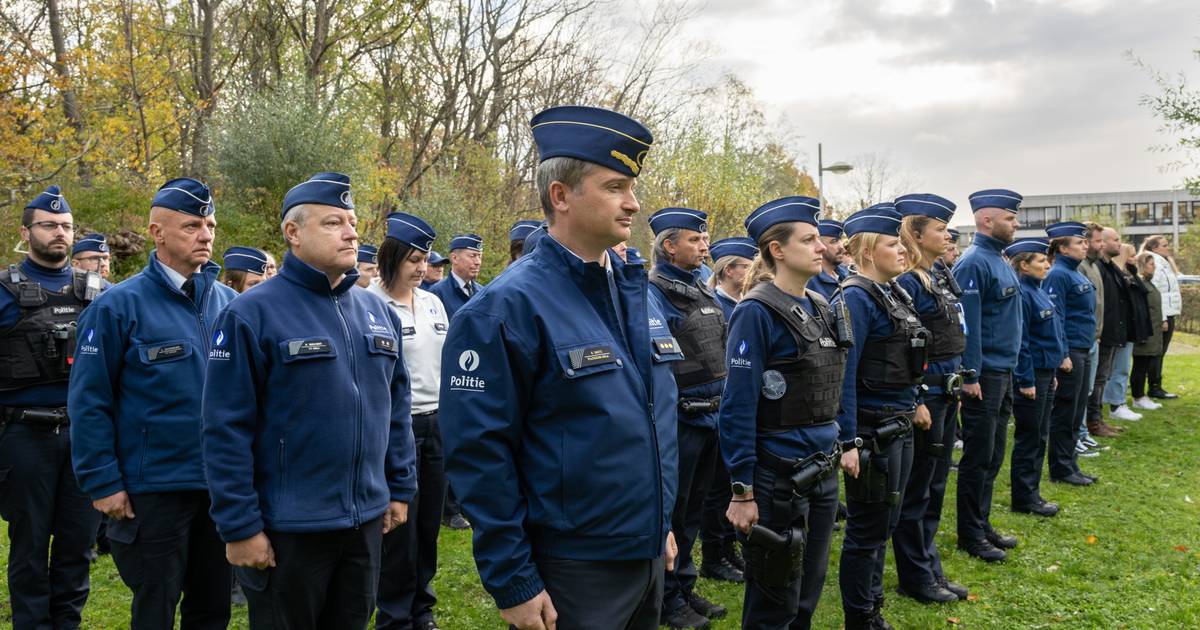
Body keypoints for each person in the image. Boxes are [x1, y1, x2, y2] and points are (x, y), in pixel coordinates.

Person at [440, 105, 679, 630]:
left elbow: (644, 417)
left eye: (632, 188)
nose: (634, 204)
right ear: (561, 196)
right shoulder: (505, 308)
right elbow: (480, 455)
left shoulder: (637, 292)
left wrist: (656, 520)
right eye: (615, 187)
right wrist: (513, 579)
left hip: (642, 553)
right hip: (572, 567)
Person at [201, 172, 416, 629]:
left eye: (353, 222)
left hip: (364, 523)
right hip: (289, 529)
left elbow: (396, 407)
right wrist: (240, 526)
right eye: (334, 222)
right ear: (293, 233)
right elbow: (224, 427)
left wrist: (400, 487)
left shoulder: (376, 312)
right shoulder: (250, 313)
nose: (352, 232)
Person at [69, 177, 237, 630]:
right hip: (154, 488)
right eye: (191, 226)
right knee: (155, 605)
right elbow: (89, 401)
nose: (205, 235)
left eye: (210, 225)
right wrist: (102, 481)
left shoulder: (232, 304)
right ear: (156, 232)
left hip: (219, 486)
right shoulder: (117, 307)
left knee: (212, 607)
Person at [719, 196, 847, 629]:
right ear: (777, 250)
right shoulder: (756, 311)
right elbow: (736, 407)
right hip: (779, 478)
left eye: (819, 240)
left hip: (822, 471)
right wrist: (742, 491)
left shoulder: (819, 305)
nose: (821, 247)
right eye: (809, 240)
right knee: (775, 599)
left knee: (807, 591)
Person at [1, 186, 104, 630]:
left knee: (77, 545)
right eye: (48, 225)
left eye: (65, 226)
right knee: (29, 544)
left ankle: (68, 623)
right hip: (24, 436)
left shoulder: (100, 293)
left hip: (83, 437)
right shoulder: (5, 291)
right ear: (26, 232)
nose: (59, 232)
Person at [834, 204, 928, 629]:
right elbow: (845, 375)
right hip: (873, 429)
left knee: (885, 521)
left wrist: (918, 399)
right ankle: (862, 616)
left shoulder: (892, 292)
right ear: (869, 251)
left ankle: (873, 606)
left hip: (898, 421)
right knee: (867, 528)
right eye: (893, 244)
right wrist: (849, 440)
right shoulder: (856, 296)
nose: (903, 251)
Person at [646, 207, 729, 629]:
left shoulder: (701, 287)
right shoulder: (654, 291)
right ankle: (667, 598)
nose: (703, 245)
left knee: (694, 511)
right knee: (674, 514)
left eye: (704, 238)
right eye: (694, 240)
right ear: (669, 245)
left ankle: (685, 584)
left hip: (710, 419)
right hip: (680, 421)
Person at [368, 211, 451, 630]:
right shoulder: (370, 302)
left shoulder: (435, 303)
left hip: (437, 424)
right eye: (413, 259)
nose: (421, 269)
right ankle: (395, 613)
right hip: (395, 428)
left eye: (425, 260)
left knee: (428, 524)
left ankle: (423, 606)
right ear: (391, 257)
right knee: (399, 527)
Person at [890, 193, 970, 604]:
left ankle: (929, 566)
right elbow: (908, 348)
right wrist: (917, 397)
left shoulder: (934, 276)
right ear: (916, 234)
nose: (947, 234)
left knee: (935, 487)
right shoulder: (907, 282)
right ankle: (915, 575)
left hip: (947, 392)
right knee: (919, 489)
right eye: (939, 229)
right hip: (929, 397)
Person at [952, 188, 1023, 563]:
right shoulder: (974, 262)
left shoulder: (999, 259)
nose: (1016, 224)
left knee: (994, 454)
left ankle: (981, 523)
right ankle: (970, 534)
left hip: (1003, 371)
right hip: (985, 375)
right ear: (986, 220)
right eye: (1010, 219)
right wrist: (970, 374)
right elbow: (969, 327)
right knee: (979, 456)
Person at [698, 236, 756, 584]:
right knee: (716, 488)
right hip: (718, 405)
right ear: (729, 270)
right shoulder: (718, 305)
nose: (751, 273)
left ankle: (727, 549)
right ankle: (714, 555)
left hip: (730, 405)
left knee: (726, 482)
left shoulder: (739, 304)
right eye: (746, 267)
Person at [1006, 237, 1068, 516]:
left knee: (1041, 435)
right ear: (1024, 265)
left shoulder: (1038, 290)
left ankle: (1033, 493)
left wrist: (1051, 372)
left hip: (1045, 372)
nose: (1047, 265)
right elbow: (1023, 341)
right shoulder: (1023, 293)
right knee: (1029, 437)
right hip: (1032, 376)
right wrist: (1027, 380)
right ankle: (1023, 498)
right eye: (1041, 261)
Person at [1043, 221, 1099, 486]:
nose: (1085, 246)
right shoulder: (1058, 275)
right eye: (1079, 242)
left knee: (1077, 410)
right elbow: (1057, 318)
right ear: (1063, 248)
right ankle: (1061, 468)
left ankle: (1070, 463)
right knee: (1066, 410)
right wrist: (1062, 353)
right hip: (1071, 351)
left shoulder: (1075, 272)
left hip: (1083, 348)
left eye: (1085, 242)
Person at [1089, 227, 1137, 432]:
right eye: (1114, 240)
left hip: (1112, 332)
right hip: (1103, 333)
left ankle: (1097, 419)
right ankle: (1093, 421)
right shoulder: (1096, 266)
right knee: (1098, 378)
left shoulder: (1110, 267)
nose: (1119, 243)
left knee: (1102, 377)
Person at [1077, 224, 1116, 444]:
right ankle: (1079, 432)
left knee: (1089, 388)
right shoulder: (1081, 267)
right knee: (1081, 391)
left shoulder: (1094, 266)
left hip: (1094, 337)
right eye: (1098, 241)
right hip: (1084, 339)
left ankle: (1082, 431)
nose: (1102, 245)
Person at [1102, 242, 1143, 422]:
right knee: (1119, 368)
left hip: (1127, 327)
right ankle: (1116, 403)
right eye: (1131, 255)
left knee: (1122, 366)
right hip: (1118, 328)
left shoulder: (1127, 273)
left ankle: (1117, 401)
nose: (1135, 258)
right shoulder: (1115, 273)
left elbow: (1141, 291)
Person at [1139, 235, 1181, 399]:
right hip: (1162, 315)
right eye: (1164, 245)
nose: (1167, 247)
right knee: (1157, 351)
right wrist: (1162, 318)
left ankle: (1156, 385)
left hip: (1168, 313)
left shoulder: (1163, 263)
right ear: (1154, 248)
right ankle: (1155, 387)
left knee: (1159, 351)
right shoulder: (1155, 263)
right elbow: (1156, 293)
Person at [1131, 253, 1167, 410]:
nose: (1154, 267)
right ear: (1142, 265)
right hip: (1145, 333)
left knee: (1145, 365)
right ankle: (1138, 397)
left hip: (1153, 332)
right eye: (1151, 264)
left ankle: (1142, 395)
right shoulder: (1140, 284)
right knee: (1140, 366)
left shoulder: (1149, 283)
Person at [428, 234, 484, 319]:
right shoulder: (437, 293)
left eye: (479, 256)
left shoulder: (483, 292)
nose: (478, 262)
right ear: (454, 258)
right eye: (473, 256)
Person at [707, 237, 757, 319]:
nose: (753, 272)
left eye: (754, 268)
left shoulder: (750, 304)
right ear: (728, 271)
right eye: (747, 267)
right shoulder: (711, 307)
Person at [807, 219, 849, 301]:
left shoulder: (846, 275)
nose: (841, 246)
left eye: (840, 240)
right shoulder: (809, 281)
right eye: (834, 241)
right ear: (819, 246)